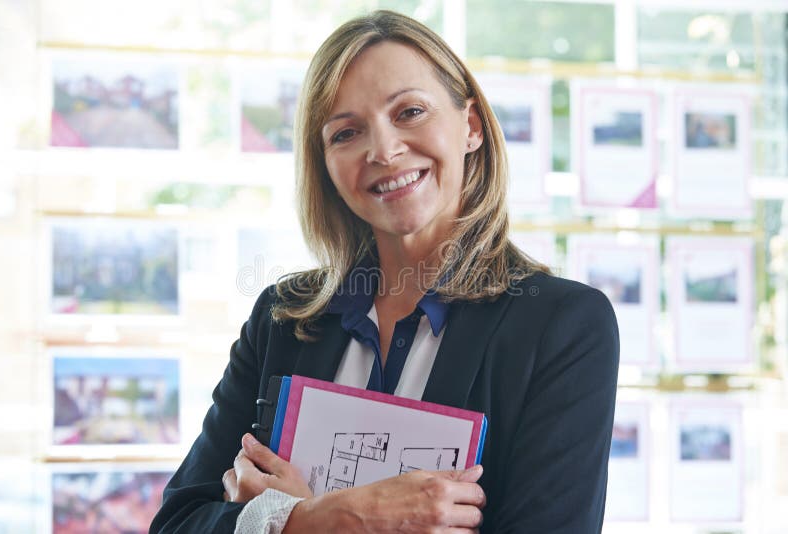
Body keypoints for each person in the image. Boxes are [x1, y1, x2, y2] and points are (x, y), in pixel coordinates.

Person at [150, 10, 619, 534]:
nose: (384, 150)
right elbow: (177, 523)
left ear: (470, 126)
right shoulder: (282, 318)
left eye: (410, 112)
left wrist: (278, 522)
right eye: (346, 133)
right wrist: (328, 518)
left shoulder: (562, 326)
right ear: (325, 165)